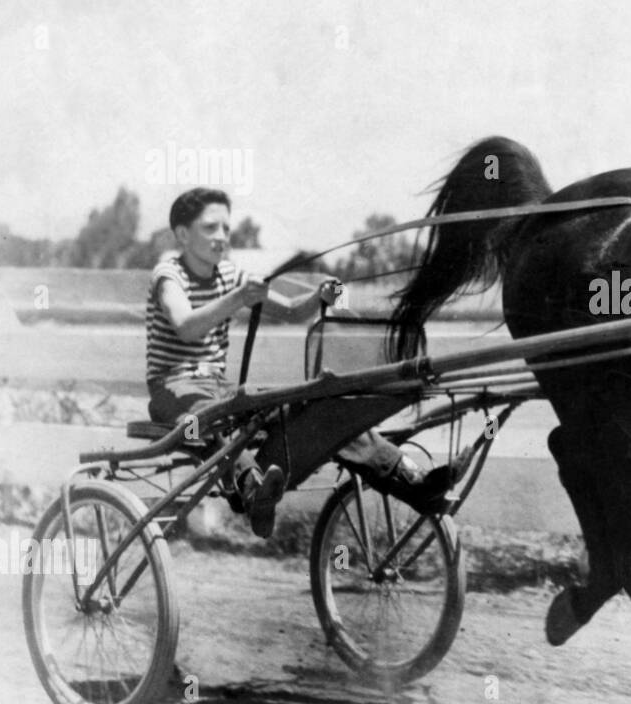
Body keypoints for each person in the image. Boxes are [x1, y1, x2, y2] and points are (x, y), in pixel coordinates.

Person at [147, 187, 463, 537]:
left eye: (225, 228)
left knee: (318, 406)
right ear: (182, 234)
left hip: (218, 388)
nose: (221, 237)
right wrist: (238, 298)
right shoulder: (169, 274)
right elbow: (186, 327)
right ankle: (252, 489)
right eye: (210, 228)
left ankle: (413, 481)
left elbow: (291, 311)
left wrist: (319, 296)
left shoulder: (230, 275)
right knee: (212, 418)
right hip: (173, 389)